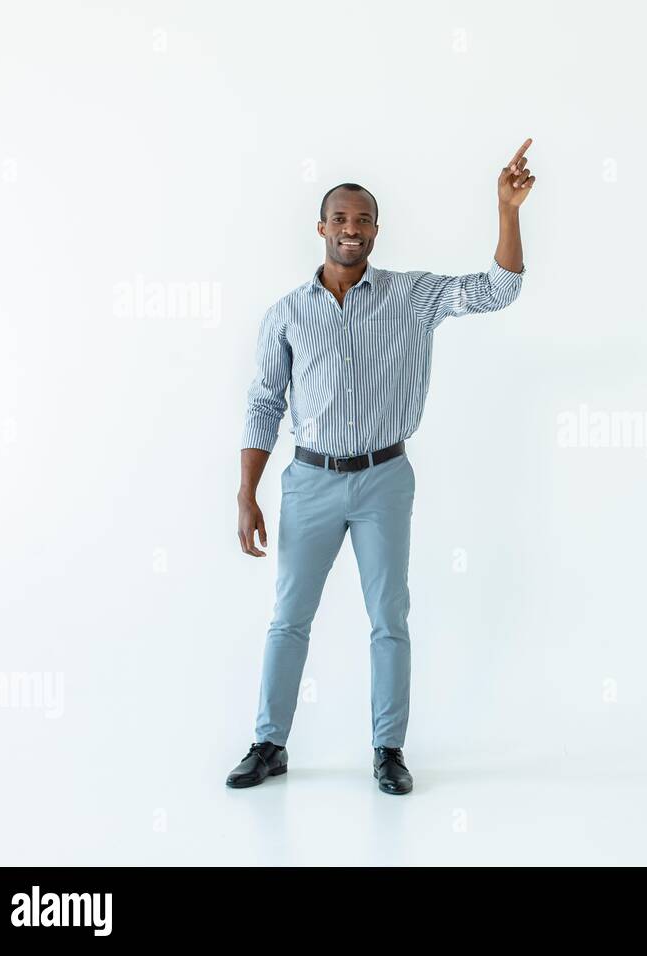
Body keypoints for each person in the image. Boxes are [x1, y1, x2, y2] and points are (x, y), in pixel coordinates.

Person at [226, 139, 536, 795]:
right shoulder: (286, 314)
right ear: (321, 228)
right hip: (308, 480)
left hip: (383, 481)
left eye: (361, 220)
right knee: (288, 618)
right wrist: (246, 493)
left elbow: (498, 289)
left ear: (375, 230)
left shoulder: (411, 297)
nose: (350, 229)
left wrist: (506, 210)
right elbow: (263, 402)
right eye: (339, 219)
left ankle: (388, 750)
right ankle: (268, 743)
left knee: (389, 619)